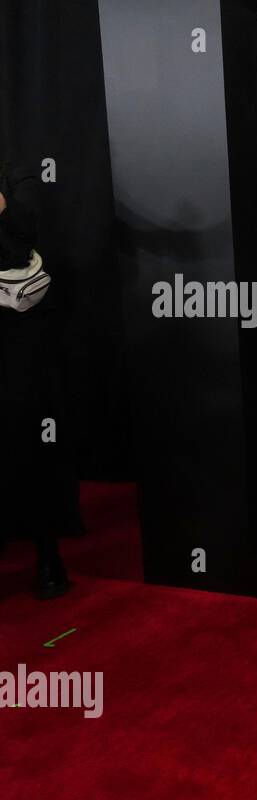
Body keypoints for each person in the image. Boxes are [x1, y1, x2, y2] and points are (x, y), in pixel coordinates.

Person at [0, 154, 83, 599]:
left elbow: (21, 234)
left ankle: (48, 556)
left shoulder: (20, 175)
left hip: (17, 333)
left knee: (24, 442)